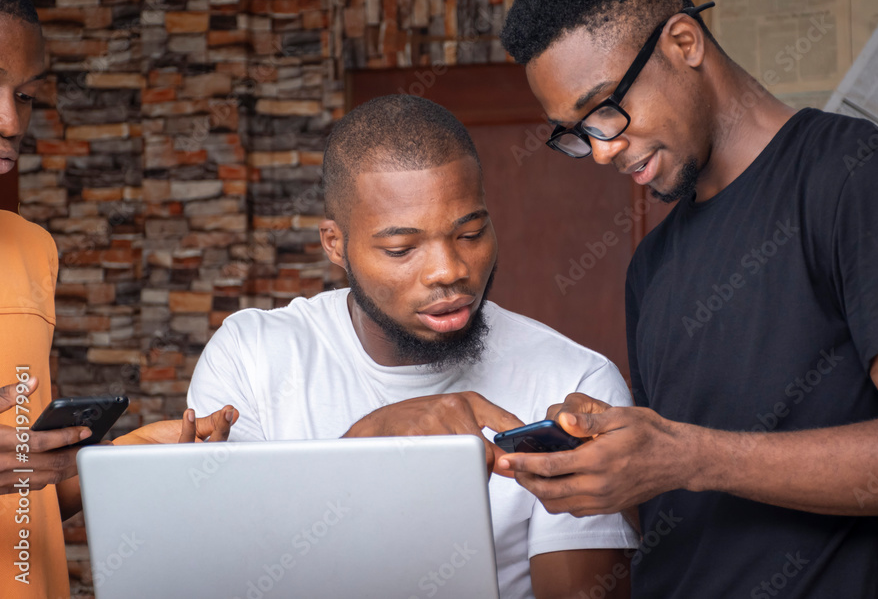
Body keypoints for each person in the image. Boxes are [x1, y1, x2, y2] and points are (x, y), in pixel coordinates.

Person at [495, 0, 878, 597]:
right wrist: (611, 462)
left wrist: (689, 454)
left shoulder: (865, 182)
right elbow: (684, 500)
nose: (599, 151)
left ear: (684, 43)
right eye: (575, 132)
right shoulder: (651, 266)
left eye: (606, 111)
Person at [187, 94, 638, 599]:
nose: (450, 271)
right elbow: (219, 576)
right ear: (335, 244)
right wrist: (365, 445)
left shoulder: (574, 381)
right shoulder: (251, 356)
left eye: (470, 233)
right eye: (402, 249)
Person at [0, 0, 236, 599]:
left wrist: (127, 456)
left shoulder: (31, 250)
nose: (11, 122)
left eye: (24, 95)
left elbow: (27, 493)